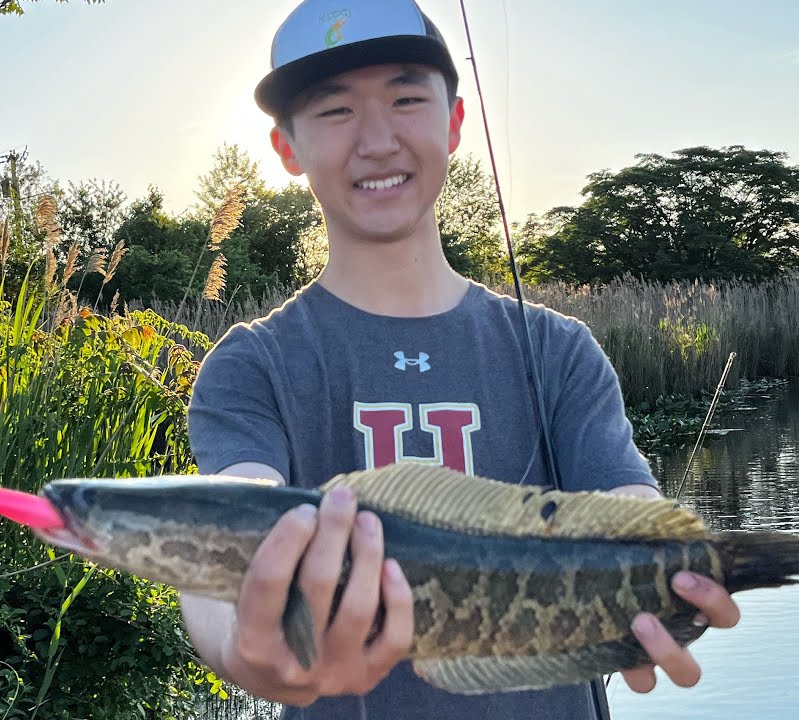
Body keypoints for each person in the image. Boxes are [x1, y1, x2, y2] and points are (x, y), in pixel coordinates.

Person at [180, 1, 741, 717]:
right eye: (335, 111)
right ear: (287, 148)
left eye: (407, 98)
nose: (378, 140)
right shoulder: (252, 364)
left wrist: (671, 567)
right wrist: (238, 646)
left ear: (453, 121)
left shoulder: (559, 349)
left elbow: (620, 500)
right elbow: (229, 523)